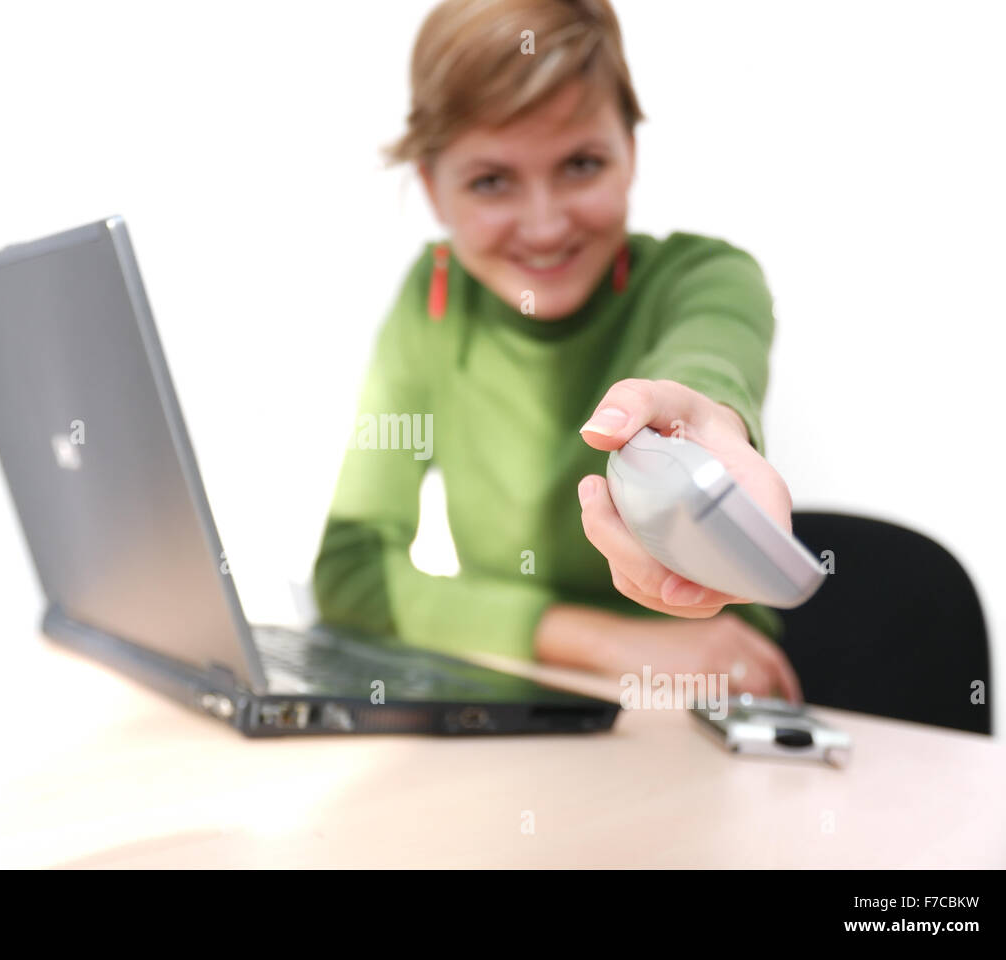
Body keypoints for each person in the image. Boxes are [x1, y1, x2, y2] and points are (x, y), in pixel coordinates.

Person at [311, 0, 801, 703]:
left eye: (580, 164)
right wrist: (606, 643)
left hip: (705, 708)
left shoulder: (703, 278)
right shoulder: (434, 300)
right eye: (490, 181)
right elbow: (353, 571)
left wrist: (706, 424)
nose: (544, 227)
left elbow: (709, 362)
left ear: (630, 152)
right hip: (525, 703)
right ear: (432, 189)